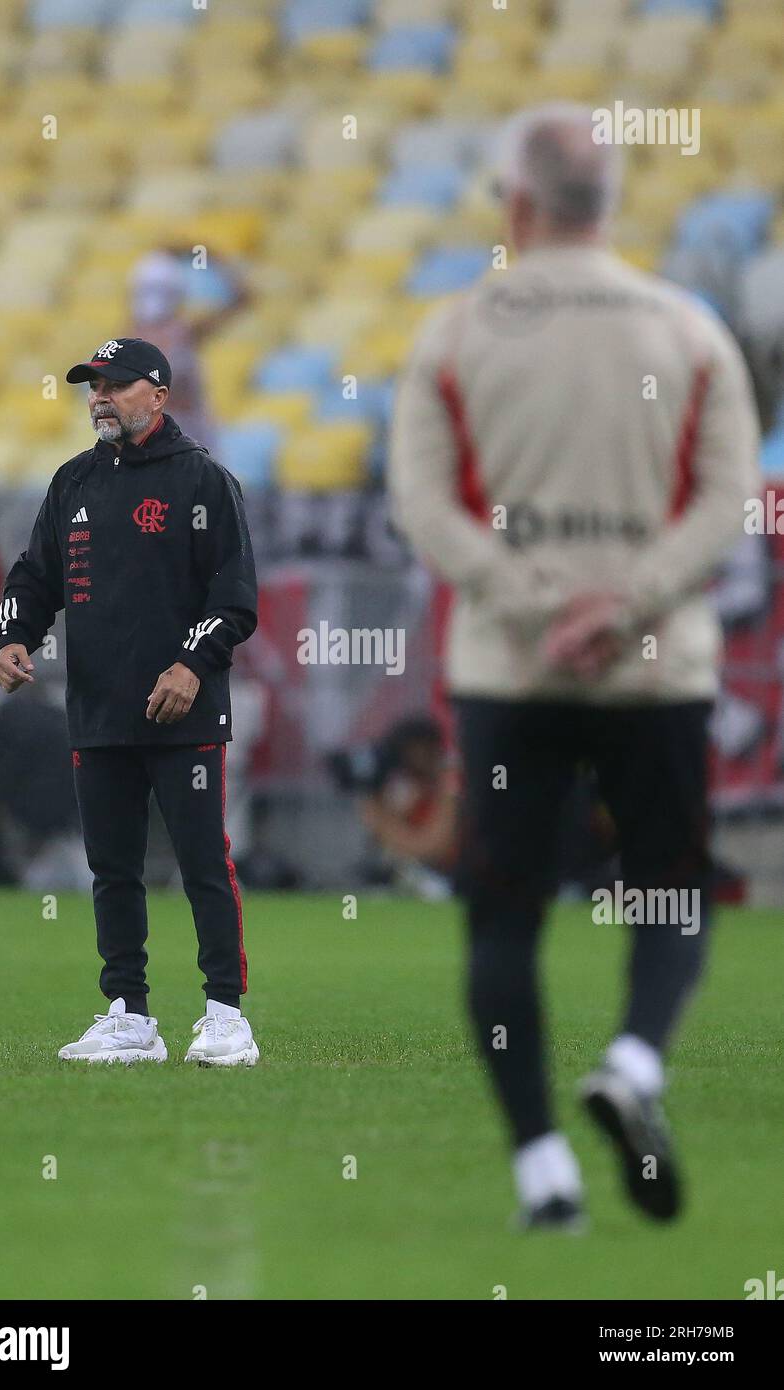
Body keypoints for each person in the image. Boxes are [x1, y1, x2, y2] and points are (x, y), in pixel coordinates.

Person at [389, 105, 760, 1227]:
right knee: (667, 890)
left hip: (510, 673)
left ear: (514, 202)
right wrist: (625, 603)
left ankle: (542, 1171)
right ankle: (635, 1063)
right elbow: (723, 502)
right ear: (605, 205)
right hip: (654, 671)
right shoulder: (688, 331)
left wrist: (534, 603)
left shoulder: (453, 335)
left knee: (501, 920)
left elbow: (419, 506)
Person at [0, 337, 259, 1067]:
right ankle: (130, 1017)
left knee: (204, 860)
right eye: (92, 385)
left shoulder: (204, 481)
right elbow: (33, 580)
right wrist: (10, 638)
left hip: (184, 712)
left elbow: (234, 598)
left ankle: (226, 1015)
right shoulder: (73, 482)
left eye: (115, 384)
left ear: (159, 396)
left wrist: (191, 664)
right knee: (112, 867)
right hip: (99, 708)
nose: (99, 396)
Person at [130, 247, 250, 452]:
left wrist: (214, 258)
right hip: (159, 444)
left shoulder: (185, 331)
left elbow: (244, 298)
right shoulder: (135, 337)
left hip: (191, 438)